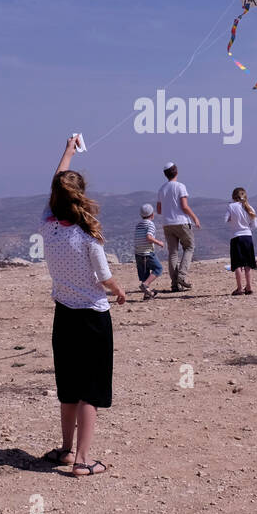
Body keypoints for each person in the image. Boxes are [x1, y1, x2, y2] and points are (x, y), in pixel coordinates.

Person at [38, 135, 125, 477]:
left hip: (64, 316)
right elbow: (104, 276)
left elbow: (54, 187)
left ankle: (65, 449)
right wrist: (119, 291)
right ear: (82, 195)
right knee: (91, 390)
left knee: (69, 388)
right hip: (92, 317)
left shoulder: (46, 227)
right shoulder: (88, 236)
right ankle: (83, 460)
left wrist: (67, 152)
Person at [156, 162, 201, 292]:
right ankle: (181, 276)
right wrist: (195, 218)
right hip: (181, 222)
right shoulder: (180, 186)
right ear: (176, 172)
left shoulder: (162, 189)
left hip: (167, 223)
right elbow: (184, 206)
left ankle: (175, 284)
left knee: (173, 253)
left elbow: (159, 210)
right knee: (189, 247)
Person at [226, 187, 257, 295]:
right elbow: (254, 225)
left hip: (236, 237)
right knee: (248, 264)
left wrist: (233, 222)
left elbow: (225, 220)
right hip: (248, 237)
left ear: (233, 197)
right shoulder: (250, 208)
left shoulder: (231, 206)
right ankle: (249, 286)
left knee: (237, 264)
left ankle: (239, 288)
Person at [134, 203, 165, 299]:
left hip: (138, 253)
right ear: (152, 214)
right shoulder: (150, 224)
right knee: (158, 268)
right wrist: (159, 242)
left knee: (145, 274)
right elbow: (149, 237)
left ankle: (147, 294)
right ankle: (145, 285)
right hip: (147, 253)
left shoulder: (138, 225)